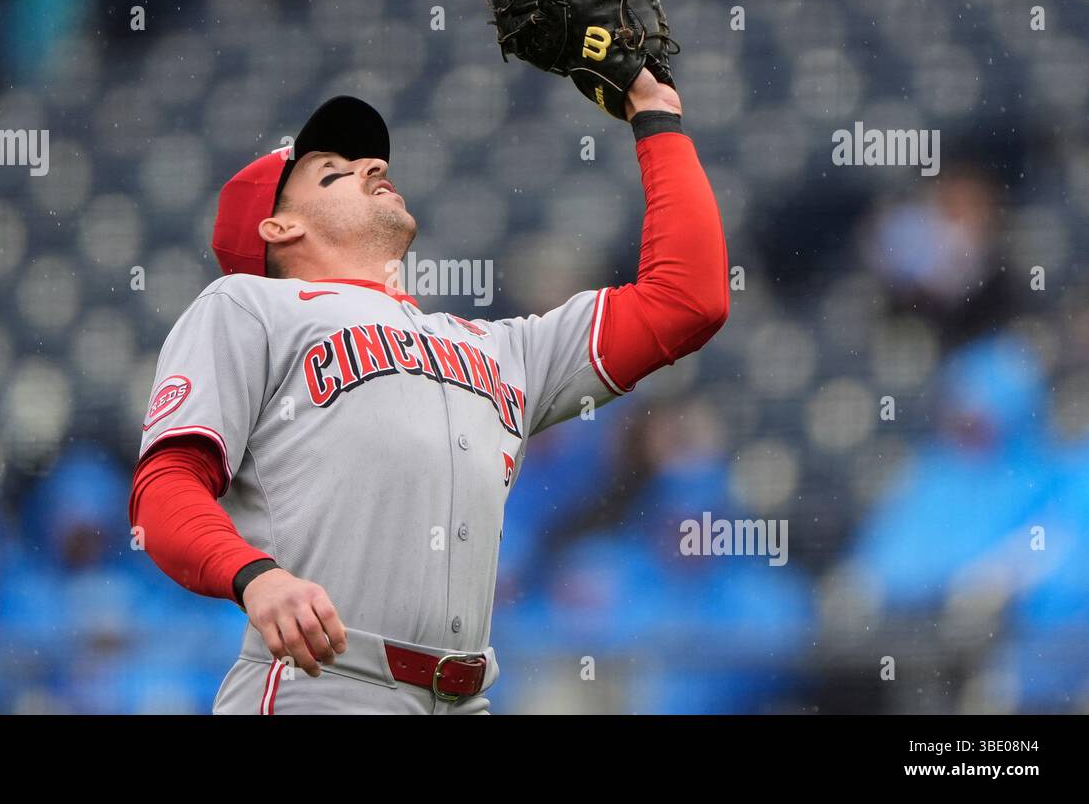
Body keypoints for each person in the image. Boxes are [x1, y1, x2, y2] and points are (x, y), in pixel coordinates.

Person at [128, 69, 729, 713]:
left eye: (370, 159)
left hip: (467, 697)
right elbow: (163, 487)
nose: (373, 165)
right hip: (325, 684)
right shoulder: (250, 306)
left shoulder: (498, 347)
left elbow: (687, 302)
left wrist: (655, 113)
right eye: (333, 169)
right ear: (278, 229)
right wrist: (253, 577)